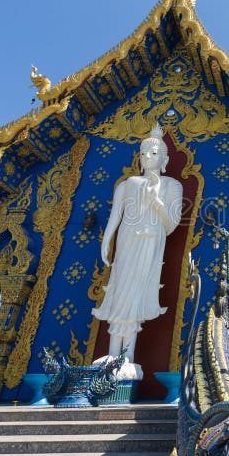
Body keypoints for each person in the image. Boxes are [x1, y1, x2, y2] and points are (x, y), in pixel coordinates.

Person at [92, 125, 183, 365]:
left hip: (151, 241)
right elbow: (115, 216)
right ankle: (112, 353)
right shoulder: (127, 184)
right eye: (143, 153)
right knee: (120, 289)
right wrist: (106, 240)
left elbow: (171, 224)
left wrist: (157, 204)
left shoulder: (172, 186)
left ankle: (127, 355)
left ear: (164, 159)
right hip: (127, 240)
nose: (147, 157)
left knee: (136, 293)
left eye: (153, 153)